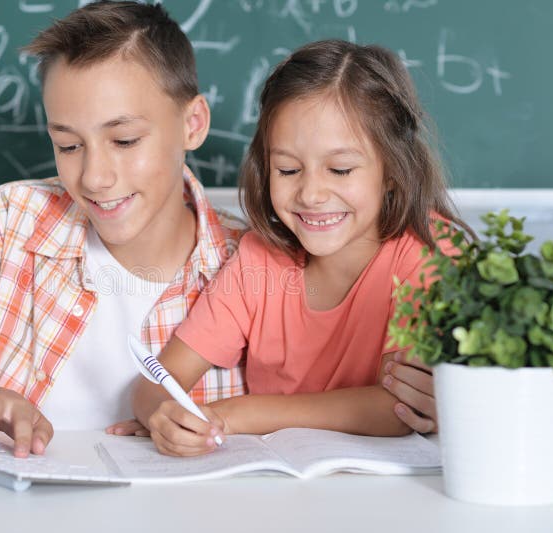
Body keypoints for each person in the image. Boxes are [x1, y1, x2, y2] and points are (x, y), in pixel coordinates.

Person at [0, 5, 437, 454]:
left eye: (125, 140)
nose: (96, 176)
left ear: (193, 123)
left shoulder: (254, 259)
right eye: (67, 144)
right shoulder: (8, 227)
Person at [131, 39, 471, 457]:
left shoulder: (429, 255)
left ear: (392, 172)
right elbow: (158, 380)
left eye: (340, 169)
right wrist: (162, 414)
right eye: (288, 169)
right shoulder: (260, 260)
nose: (311, 193)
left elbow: (396, 408)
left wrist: (237, 415)